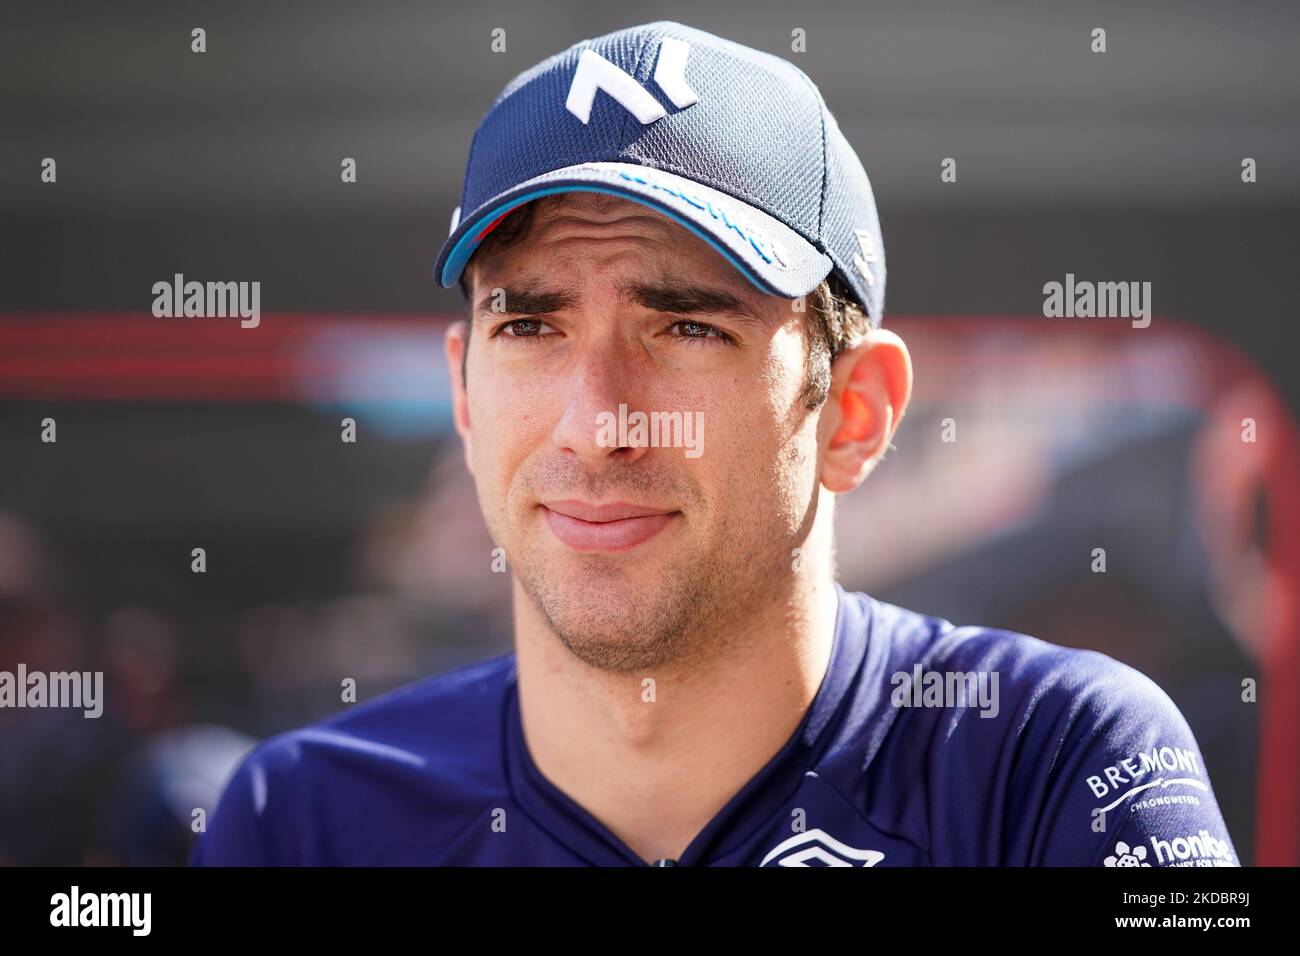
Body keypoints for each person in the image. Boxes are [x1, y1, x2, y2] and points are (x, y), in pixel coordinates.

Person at [192, 21, 1238, 866]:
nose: (597, 422)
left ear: (856, 411)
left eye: (687, 326)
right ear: (466, 397)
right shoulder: (301, 817)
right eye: (531, 326)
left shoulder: (1053, 760)